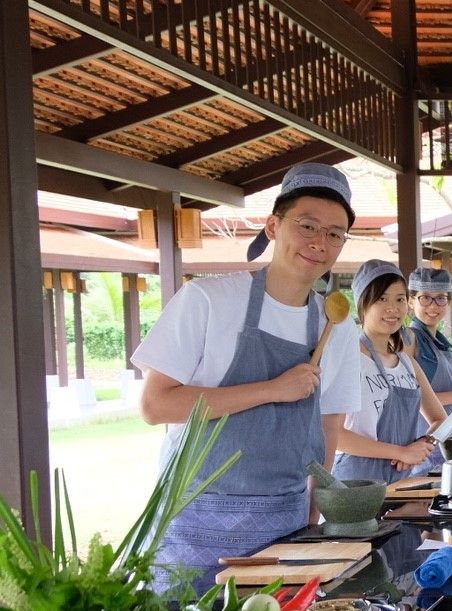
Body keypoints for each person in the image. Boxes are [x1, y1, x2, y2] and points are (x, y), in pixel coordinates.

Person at [134, 162, 362, 583]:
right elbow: (155, 404)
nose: (320, 243)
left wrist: (314, 509)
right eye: (307, 226)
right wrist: (272, 389)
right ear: (274, 226)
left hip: (285, 520)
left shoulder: (337, 325)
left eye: (334, 234)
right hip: (195, 518)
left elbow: (330, 422)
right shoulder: (207, 299)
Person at [333, 260, 450, 482]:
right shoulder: (348, 358)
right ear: (363, 304)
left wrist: (423, 445)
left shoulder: (407, 363)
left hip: (401, 481)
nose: (392, 308)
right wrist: (400, 452)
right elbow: (334, 435)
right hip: (356, 486)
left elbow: (439, 418)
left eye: (399, 299)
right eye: (382, 299)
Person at [406, 265, 452, 473]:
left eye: (441, 298)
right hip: (425, 445)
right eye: (425, 298)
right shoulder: (409, 338)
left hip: (449, 441)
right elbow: (408, 398)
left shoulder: (441, 342)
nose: (433, 305)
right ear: (411, 301)